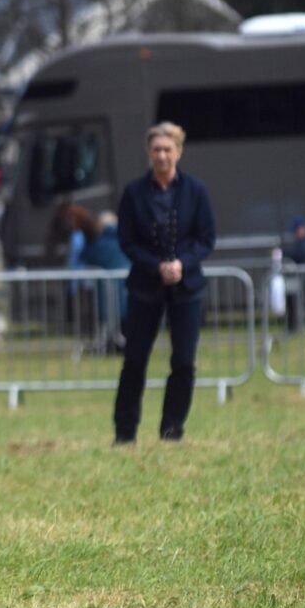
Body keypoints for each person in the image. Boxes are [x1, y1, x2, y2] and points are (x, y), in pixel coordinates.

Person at [111, 122, 216, 446]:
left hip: (186, 288)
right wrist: (156, 266)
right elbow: (126, 240)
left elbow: (206, 238)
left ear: (178, 152)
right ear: (149, 153)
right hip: (145, 287)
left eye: (167, 149)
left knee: (183, 361)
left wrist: (182, 264)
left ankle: (172, 430)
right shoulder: (134, 193)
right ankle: (125, 433)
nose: (162, 155)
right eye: (156, 149)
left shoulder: (196, 190)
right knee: (134, 360)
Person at [81, 210, 130, 353]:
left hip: (108, 294)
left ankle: (108, 346)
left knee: (109, 323)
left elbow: (85, 255)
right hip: (129, 290)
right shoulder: (126, 239)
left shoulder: (99, 243)